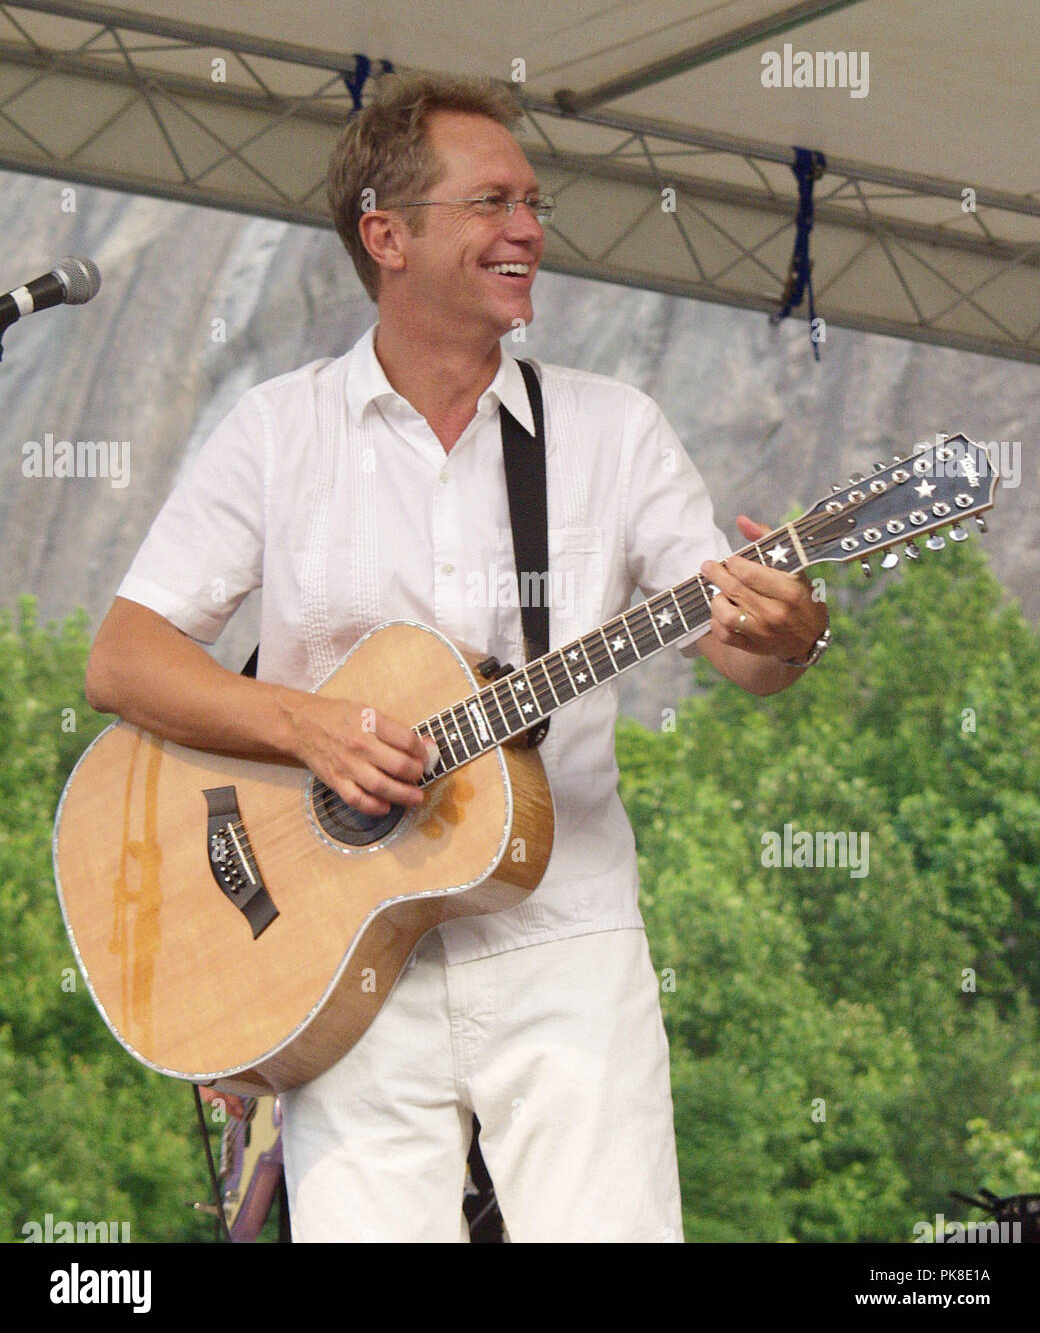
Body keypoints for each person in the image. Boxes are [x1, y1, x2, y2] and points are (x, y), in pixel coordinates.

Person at [85, 72, 829, 1243]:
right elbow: (124, 660)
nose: (528, 229)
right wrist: (306, 727)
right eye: (492, 203)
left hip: (563, 943)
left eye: (532, 203)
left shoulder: (608, 429)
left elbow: (739, 650)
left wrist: (790, 633)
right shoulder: (278, 432)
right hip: (341, 959)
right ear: (387, 233)